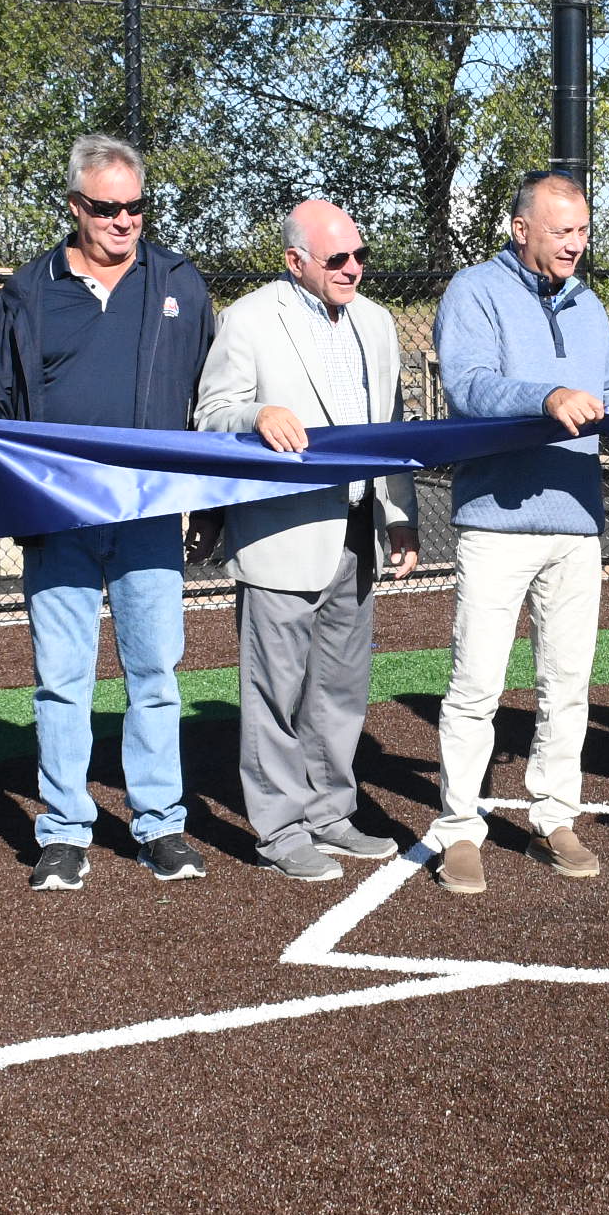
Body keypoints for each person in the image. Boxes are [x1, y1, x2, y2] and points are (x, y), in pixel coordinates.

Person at [0, 134, 215, 894]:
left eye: (136, 206)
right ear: (75, 207)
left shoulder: (180, 284)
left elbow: (214, 396)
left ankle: (160, 823)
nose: (124, 221)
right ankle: (66, 830)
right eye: (107, 208)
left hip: (147, 518)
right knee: (63, 680)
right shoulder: (29, 292)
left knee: (155, 675)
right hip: (58, 517)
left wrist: (207, 498)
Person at [426, 171, 609, 894]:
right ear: (519, 229)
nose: (576, 246)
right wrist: (547, 398)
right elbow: (470, 387)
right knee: (476, 684)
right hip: (497, 523)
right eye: (563, 232)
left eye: (583, 232)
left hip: (576, 524)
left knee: (567, 683)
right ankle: (460, 828)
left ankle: (554, 814)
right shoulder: (474, 291)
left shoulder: (589, 303)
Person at [193, 198, 421, 881]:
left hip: (357, 533)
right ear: (295, 262)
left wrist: (398, 514)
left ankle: (330, 813)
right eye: (337, 259)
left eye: (360, 255)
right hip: (282, 536)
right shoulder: (250, 319)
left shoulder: (377, 324)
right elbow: (209, 416)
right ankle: (280, 829)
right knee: (274, 693)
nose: (354, 269)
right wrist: (257, 414)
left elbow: (394, 427)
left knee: (341, 690)